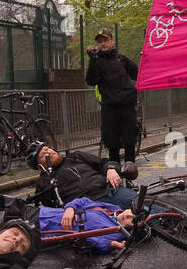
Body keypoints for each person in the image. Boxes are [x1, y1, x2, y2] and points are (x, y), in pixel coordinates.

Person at [84, 29, 140, 167]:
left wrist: (146, 59)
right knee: (112, 144)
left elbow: (138, 74)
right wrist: (92, 60)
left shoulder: (122, 59)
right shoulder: (97, 62)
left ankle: (130, 175)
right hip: (110, 109)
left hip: (127, 107)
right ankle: (115, 178)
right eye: (99, 41)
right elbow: (91, 81)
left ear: (112, 41)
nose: (103, 44)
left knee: (129, 142)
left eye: (106, 40)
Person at [29, 142, 139, 209]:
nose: (49, 153)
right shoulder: (43, 182)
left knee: (145, 205)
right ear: (38, 167)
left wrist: (111, 169)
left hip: (107, 192)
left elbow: (105, 163)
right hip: (84, 208)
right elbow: (50, 209)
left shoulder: (75, 157)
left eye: (48, 149)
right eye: (44, 155)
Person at [39, 197, 137, 253]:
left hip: (43, 228)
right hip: (45, 212)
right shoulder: (114, 208)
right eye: (131, 211)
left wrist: (113, 244)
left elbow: (95, 242)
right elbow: (84, 201)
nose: (128, 214)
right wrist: (70, 208)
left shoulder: (117, 232)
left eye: (132, 219)